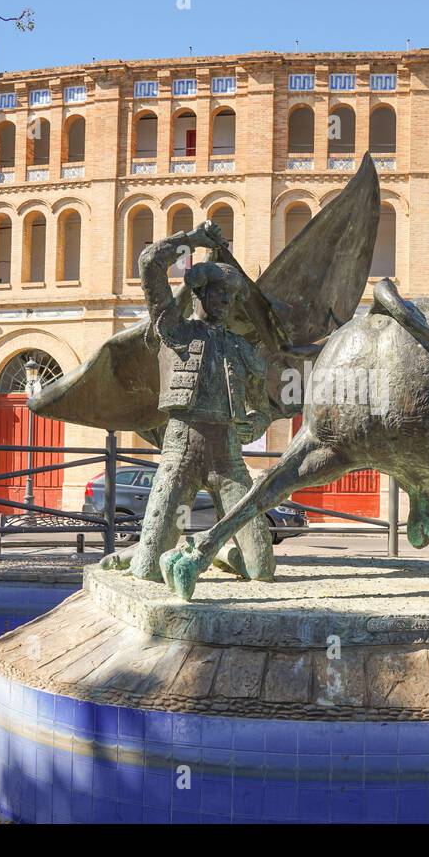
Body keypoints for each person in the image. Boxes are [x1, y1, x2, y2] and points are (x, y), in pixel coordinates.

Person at [114, 219, 276, 592]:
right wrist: (191, 239)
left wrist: (257, 423)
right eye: (220, 293)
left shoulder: (241, 348)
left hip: (229, 459)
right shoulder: (174, 330)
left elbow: (263, 407)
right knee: (148, 573)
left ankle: (210, 551)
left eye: (232, 297)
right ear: (200, 293)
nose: (226, 302)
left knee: (262, 569)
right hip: (181, 452)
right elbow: (150, 262)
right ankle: (146, 552)